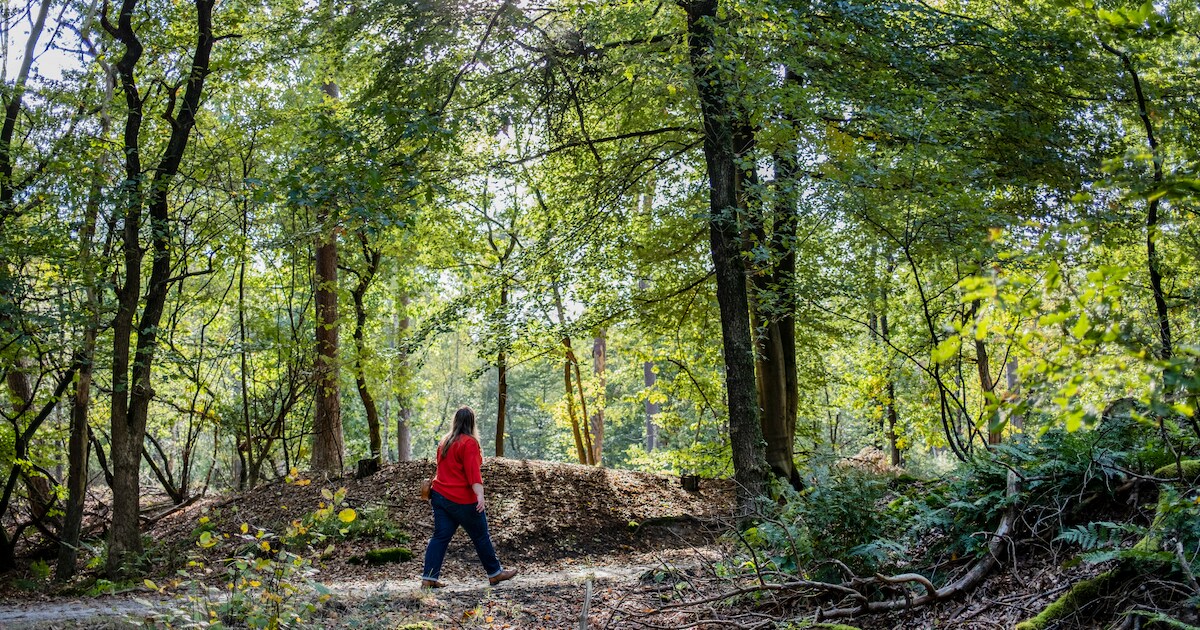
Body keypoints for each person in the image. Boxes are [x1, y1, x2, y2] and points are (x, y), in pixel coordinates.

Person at [420, 405, 517, 588]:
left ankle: (429, 578)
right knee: (480, 536)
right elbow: (473, 473)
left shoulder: (444, 442)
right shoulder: (469, 443)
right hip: (461, 499)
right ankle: (495, 573)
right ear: (472, 422)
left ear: (455, 421)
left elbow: (443, 469)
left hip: (440, 496)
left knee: (440, 537)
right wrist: (480, 495)